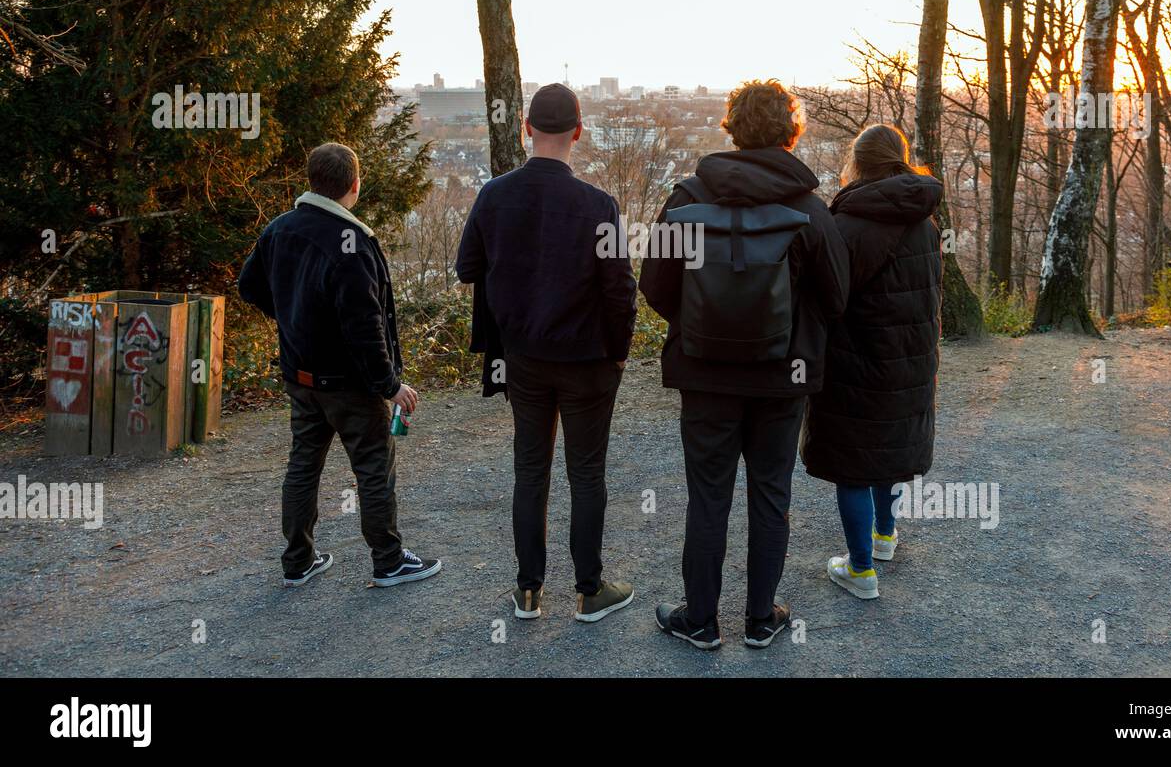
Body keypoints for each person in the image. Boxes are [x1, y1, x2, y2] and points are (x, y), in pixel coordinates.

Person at [641, 79, 850, 650]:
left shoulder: (686, 200)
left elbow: (654, 286)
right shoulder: (808, 209)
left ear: (731, 127)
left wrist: (700, 327)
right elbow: (836, 298)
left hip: (704, 372)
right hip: (785, 377)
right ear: (792, 129)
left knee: (708, 494)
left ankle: (701, 621)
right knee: (770, 492)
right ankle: (762, 618)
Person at [456, 83, 638, 624]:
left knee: (530, 470)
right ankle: (589, 591)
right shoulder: (598, 204)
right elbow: (621, 291)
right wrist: (620, 354)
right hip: (587, 361)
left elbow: (469, 269)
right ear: (578, 132)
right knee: (587, 475)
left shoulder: (494, 196)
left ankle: (528, 591)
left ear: (526, 130)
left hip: (522, 358)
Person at [238, 142, 440, 588]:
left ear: (311, 180)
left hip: (301, 376)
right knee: (372, 467)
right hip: (350, 384)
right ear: (355, 184)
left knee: (303, 466)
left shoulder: (278, 230)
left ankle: (297, 561)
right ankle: (388, 561)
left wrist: (291, 319)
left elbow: (248, 287)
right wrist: (390, 386)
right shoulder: (353, 244)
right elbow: (364, 328)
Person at [800, 124, 942, 600]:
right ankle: (885, 536)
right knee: (889, 451)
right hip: (909, 360)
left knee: (854, 464)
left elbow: (828, 298)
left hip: (856, 362)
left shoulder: (846, 225)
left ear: (856, 163)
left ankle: (860, 570)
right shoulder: (925, 223)